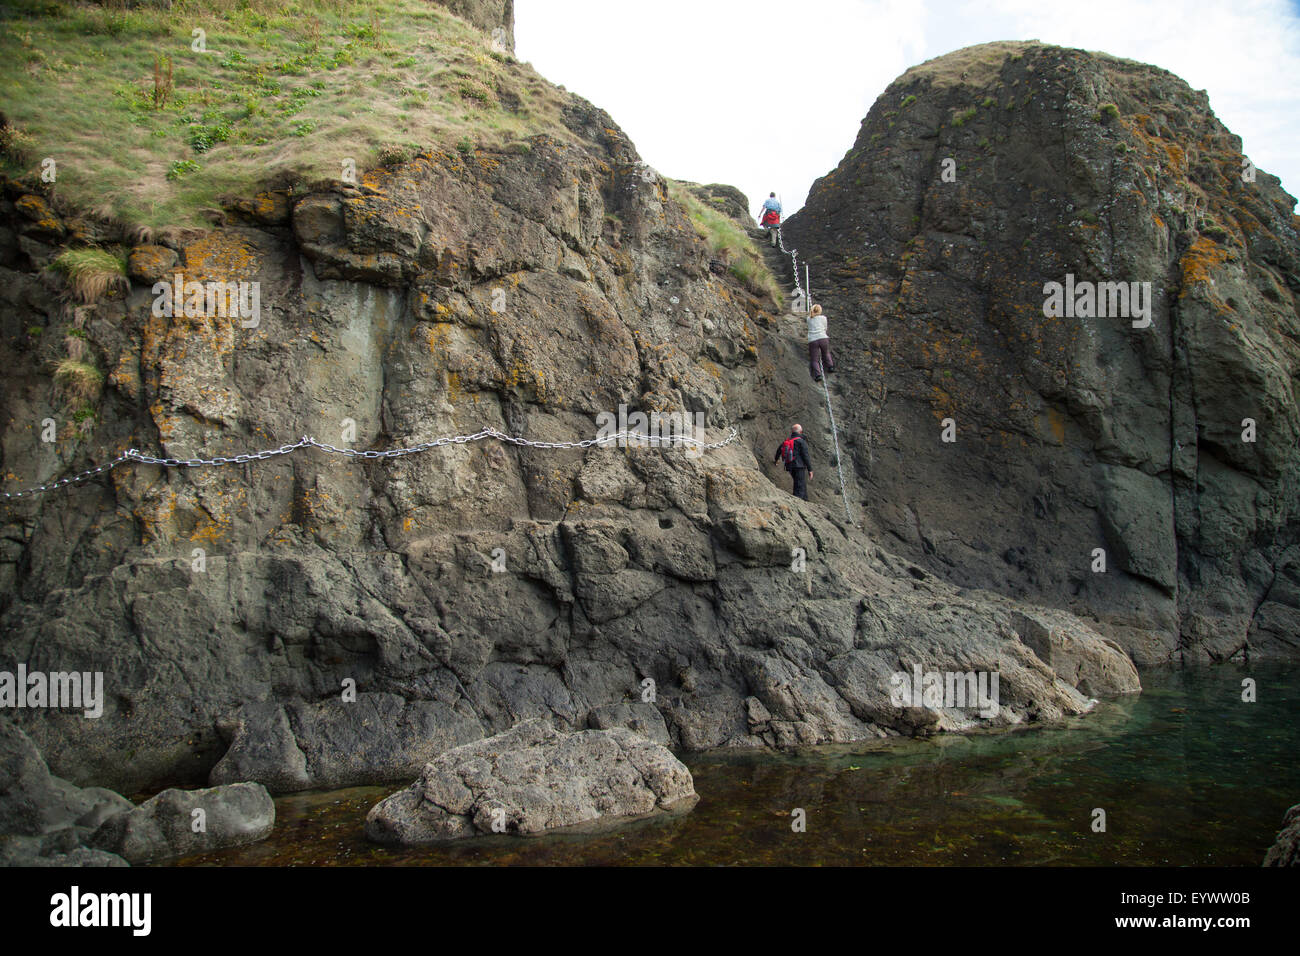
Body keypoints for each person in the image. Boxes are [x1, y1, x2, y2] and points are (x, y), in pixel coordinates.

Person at [774, 424, 813, 500]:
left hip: (790, 466)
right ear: (801, 432)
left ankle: (805, 500)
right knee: (799, 486)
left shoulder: (788, 440)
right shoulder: (801, 441)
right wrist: (810, 469)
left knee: (800, 484)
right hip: (799, 466)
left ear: (792, 431)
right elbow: (805, 456)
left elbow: (779, 450)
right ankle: (798, 502)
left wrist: (776, 459)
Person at [807, 303, 835, 382]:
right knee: (826, 353)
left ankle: (818, 375)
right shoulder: (823, 318)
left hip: (813, 340)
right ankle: (830, 367)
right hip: (823, 338)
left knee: (814, 359)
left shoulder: (808, 319)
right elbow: (825, 328)